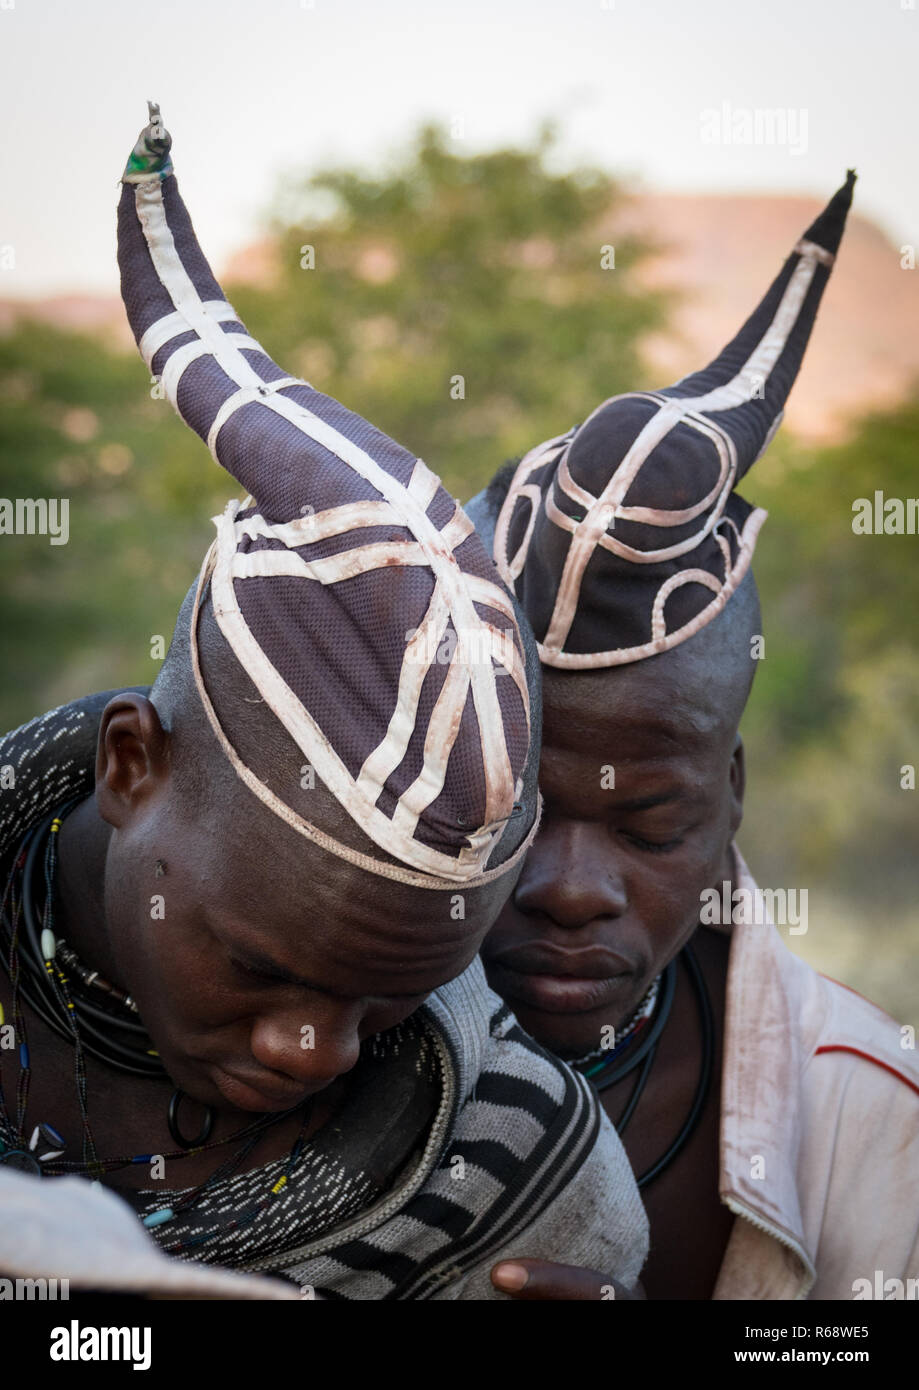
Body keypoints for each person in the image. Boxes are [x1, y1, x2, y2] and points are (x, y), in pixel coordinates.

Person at [0, 106, 649, 1301]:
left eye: (386, 1000)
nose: (317, 1048)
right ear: (132, 765)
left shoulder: (538, 1206)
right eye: (258, 966)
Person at [472, 174, 919, 1300]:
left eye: (652, 823)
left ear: (730, 796)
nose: (571, 890)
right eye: (510, 809)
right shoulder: (286, 1047)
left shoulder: (874, 1122)